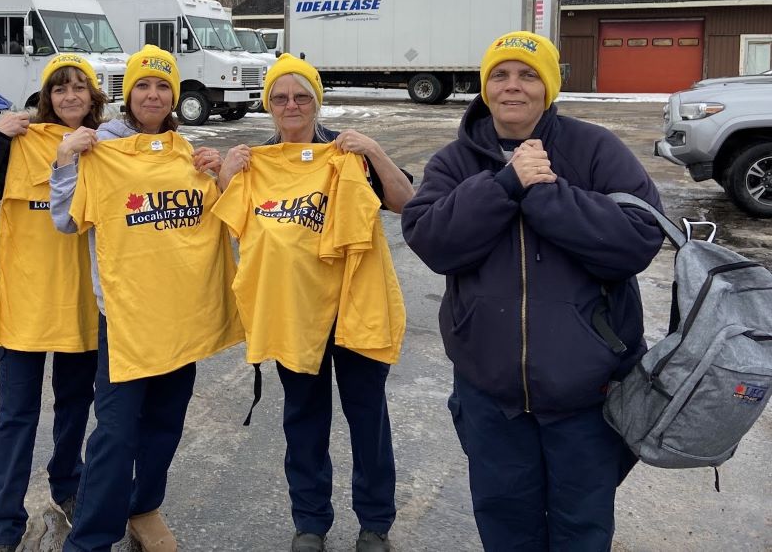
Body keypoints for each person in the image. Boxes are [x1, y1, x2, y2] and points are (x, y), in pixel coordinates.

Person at [401, 31, 665, 551]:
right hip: (490, 396)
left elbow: (640, 239)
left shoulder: (594, 150)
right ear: (484, 88)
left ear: (549, 88)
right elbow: (432, 242)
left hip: (588, 396)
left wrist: (546, 197)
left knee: (581, 530)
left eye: (528, 75)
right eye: (500, 75)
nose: (513, 86)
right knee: (505, 527)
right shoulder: (457, 162)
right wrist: (504, 187)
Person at [214, 54, 413, 552]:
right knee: (303, 420)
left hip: (354, 309)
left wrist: (376, 152)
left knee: (368, 417)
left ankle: (374, 525)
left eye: (302, 96)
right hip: (294, 313)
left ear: (316, 102)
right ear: (269, 106)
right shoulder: (256, 163)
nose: (292, 105)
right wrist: (224, 178)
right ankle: (309, 523)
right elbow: (224, 228)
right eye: (280, 98)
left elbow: (407, 202)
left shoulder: (348, 155)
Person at [50, 45, 242, 552]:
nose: (152, 94)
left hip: (183, 312)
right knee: (115, 433)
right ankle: (91, 538)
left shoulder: (187, 153)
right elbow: (67, 220)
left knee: (165, 424)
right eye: (142, 85)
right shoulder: (102, 150)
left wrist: (219, 177)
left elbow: (230, 222)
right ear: (128, 93)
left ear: (173, 95)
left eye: (162, 86)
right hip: (127, 315)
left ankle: (144, 507)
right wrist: (66, 161)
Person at [0, 53, 107, 552]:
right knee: (16, 416)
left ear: (93, 96)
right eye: (59, 89)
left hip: (83, 304)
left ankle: (68, 485)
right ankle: (3, 523)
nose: (69, 97)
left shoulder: (106, 147)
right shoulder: (19, 144)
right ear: (46, 97)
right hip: (23, 305)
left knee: (74, 408)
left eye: (79, 88)